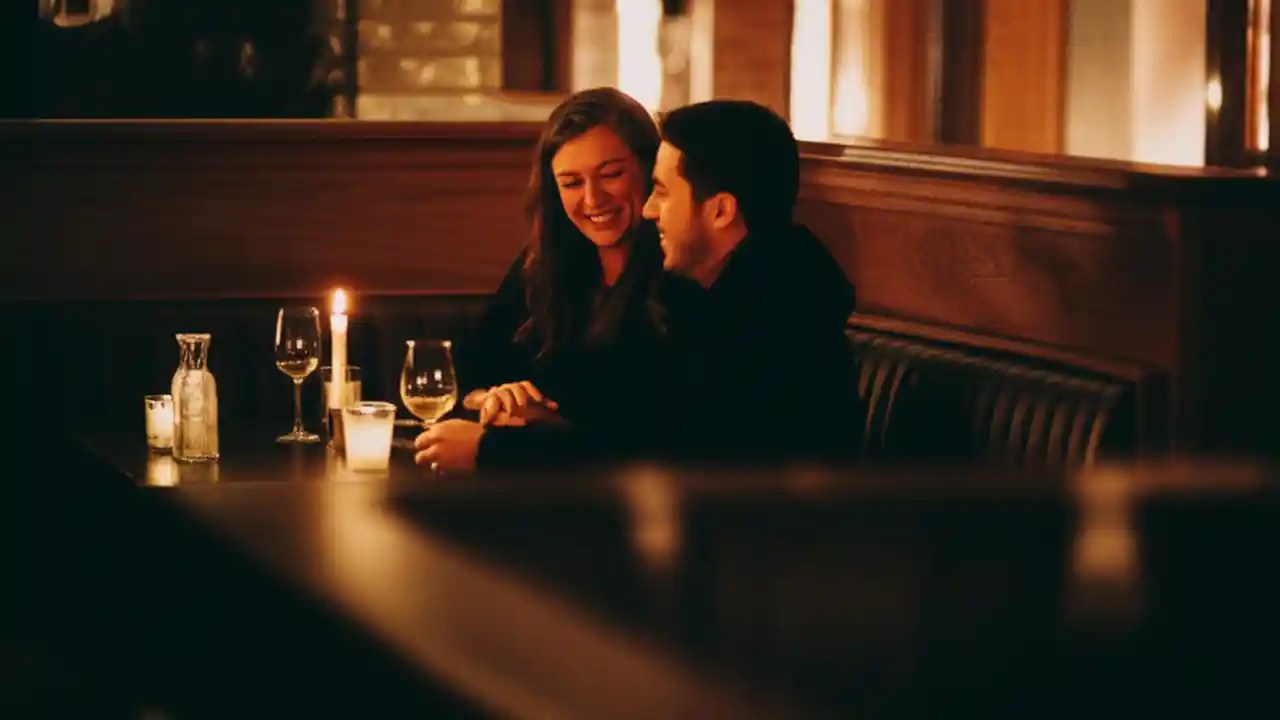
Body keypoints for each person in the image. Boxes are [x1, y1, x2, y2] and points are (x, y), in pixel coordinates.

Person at [414, 87, 669, 472]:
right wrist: (495, 400)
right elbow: (466, 371)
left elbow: (643, 440)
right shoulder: (544, 263)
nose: (592, 199)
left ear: (650, 170)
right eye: (571, 183)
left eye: (611, 174)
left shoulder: (676, 275)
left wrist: (532, 429)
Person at [642, 99, 862, 461]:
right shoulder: (706, 303)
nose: (647, 209)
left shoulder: (771, 337)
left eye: (662, 191)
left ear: (721, 210)